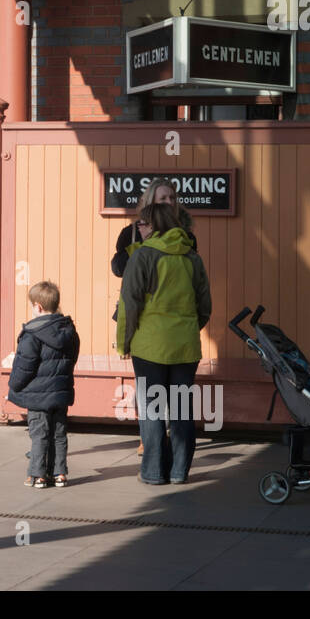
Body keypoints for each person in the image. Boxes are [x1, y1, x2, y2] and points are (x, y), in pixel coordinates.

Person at [116, 202, 211, 485]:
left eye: (142, 224)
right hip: (185, 346)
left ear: (154, 225)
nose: (139, 229)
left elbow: (129, 305)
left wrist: (123, 342)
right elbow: (204, 305)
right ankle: (180, 471)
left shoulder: (142, 256)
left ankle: (154, 472)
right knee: (182, 410)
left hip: (150, 346)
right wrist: (188, 328)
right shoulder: (192, 257)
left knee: (153, 411)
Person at [111, 178, 197, 456]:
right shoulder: (132, 233)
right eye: (163, 199)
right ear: (150, 202)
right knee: (149, 394)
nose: (169, 203)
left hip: (177, 325)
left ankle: (160, 454)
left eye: (172, 198)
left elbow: (195, 282)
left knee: (176, 399)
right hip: (142, 319)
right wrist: (145, 247)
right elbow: (117, 268)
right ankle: (151, 443)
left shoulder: (187, 235)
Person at [7, 281, 80, 489]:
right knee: (59, 433)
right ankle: (59, 473)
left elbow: (24, 366)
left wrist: (14, 386)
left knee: (39, 434)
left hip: (38, 396)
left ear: (38, 307)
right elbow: (72, 357)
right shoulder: (69, 330)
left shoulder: (32, 334)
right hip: (60, 392)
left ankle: (37, 474)